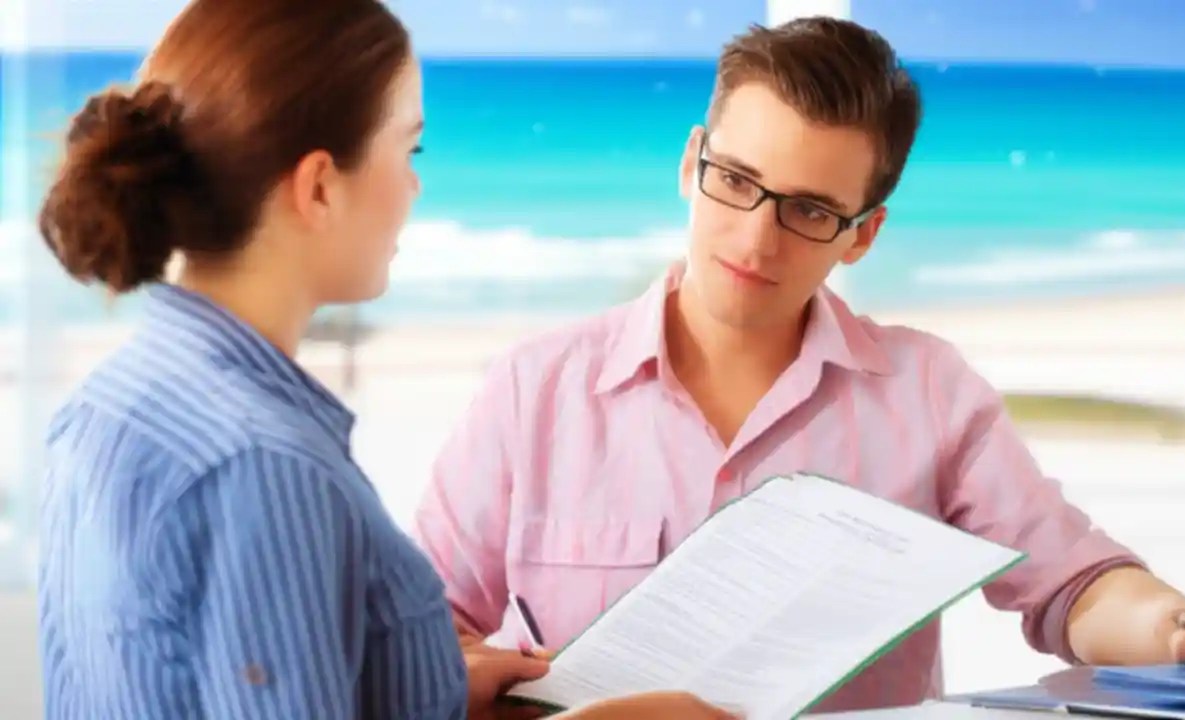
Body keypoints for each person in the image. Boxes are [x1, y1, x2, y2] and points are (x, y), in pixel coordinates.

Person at [413, 16, 1185, 713]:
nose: (756, 236)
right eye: (736, 181)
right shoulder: (533, 390)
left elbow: (1074, 586)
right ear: (691, 163)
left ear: (863, 234)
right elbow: (420, 638)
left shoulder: (929, 394)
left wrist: (1181, 627)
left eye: (810, 210)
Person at [34, 1, 739, 718]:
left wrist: (416, 687)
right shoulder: (264, 467)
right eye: (410, 151)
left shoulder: (103, 404)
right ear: (319, 187)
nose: (415, 187)